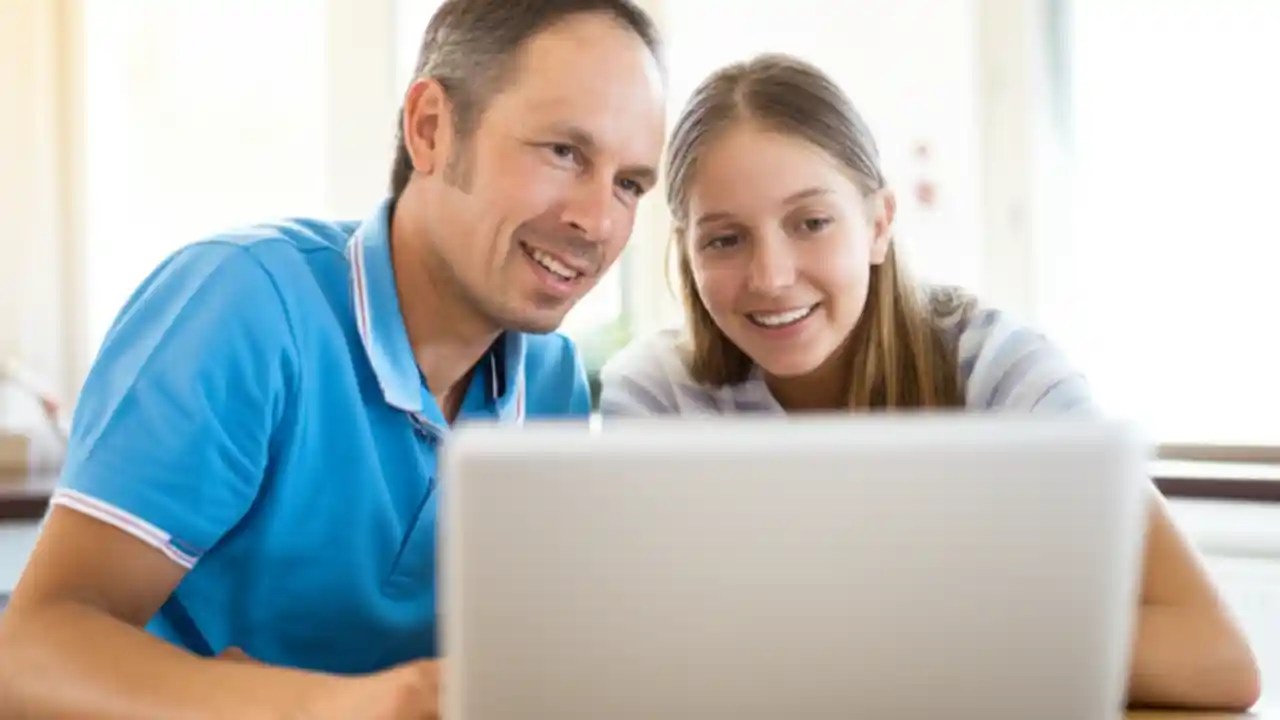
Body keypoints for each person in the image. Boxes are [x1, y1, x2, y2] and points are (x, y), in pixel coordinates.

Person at [0, 1, 666, 717]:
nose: (598, 222)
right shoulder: (243, 305)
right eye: (564, 152)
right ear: (431, 129)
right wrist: (344, 705)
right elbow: (30, 654)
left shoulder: (552, 378)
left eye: (629, 184)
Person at [600, 54, 1261, 711]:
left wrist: (874, 640)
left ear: (879, 224)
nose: (771, 276)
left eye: (811, 223)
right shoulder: (657, 398)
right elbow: (645, 654)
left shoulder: (1000, 372)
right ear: (687, 251)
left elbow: (1216, 658)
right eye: (725, 240)